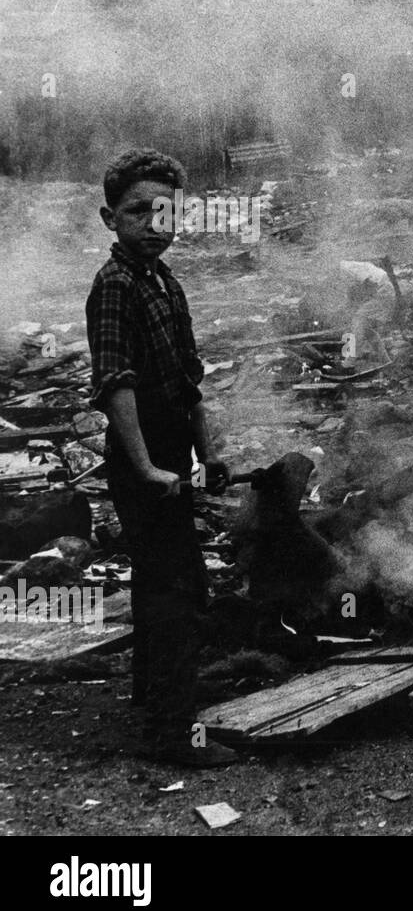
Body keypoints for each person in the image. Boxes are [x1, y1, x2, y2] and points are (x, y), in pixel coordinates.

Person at [86, 149, 234, 767]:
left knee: (162, 580)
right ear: (110, 218)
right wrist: (147, 468)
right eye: (138, 210)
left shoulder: (165, 281)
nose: (154, 223)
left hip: (170, 454)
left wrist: (207, 453)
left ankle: (153, 696)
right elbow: (115, 385)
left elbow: (188, 380)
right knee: (174, 589)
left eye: (165, 212)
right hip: (141, 459)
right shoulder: (115, 285)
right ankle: (174, 733)